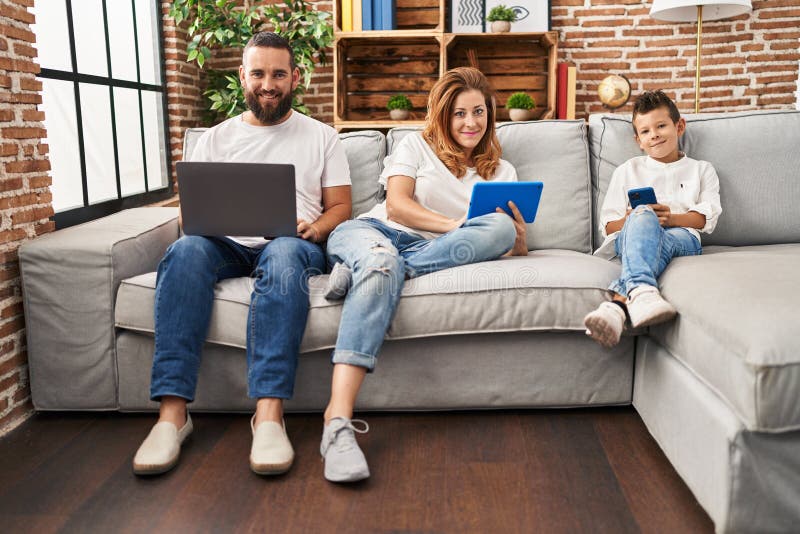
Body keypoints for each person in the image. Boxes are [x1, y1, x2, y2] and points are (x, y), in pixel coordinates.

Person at [132, 32, 352, 476]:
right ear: (243, 77)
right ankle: (172, 416)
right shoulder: (214, 138)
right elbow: (190, 211)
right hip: (225, 242)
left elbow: (342, 207)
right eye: (258, 73)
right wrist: (198, 223)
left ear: (294, 77)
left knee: (286, 259)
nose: (267, 83)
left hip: (292, 242)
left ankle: (268, 414)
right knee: (185, 251)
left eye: (277, 74)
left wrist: (316, 227)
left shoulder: (323, 137)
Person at [319, 67, 529, 483]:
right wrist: (460, 225)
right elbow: (397, 206)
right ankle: (337, 421)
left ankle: (366, 273)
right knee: (382, 256)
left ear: (490, 114)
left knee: (500, 227)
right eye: (459, 114)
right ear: (443, 116)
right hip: (373, 232)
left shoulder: (502, 170)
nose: (470, 123)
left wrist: (516, 239)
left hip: (421, 253)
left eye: (479, 112)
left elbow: (507, 243)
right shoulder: (415, 145)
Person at [584, 90, 721, 348]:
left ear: (679, 126)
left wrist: (671, 218)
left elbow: (706, 219)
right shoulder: (628, 170)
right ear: (638, 140)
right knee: (642, 214)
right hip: (632, 235)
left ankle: (620, 303)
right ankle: (636, 298)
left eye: (661, 126)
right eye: (646, 131)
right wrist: (633, 218)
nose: (654, 135)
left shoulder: (701, 169)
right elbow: (608, 226)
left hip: (681, 237)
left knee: (651, 224)